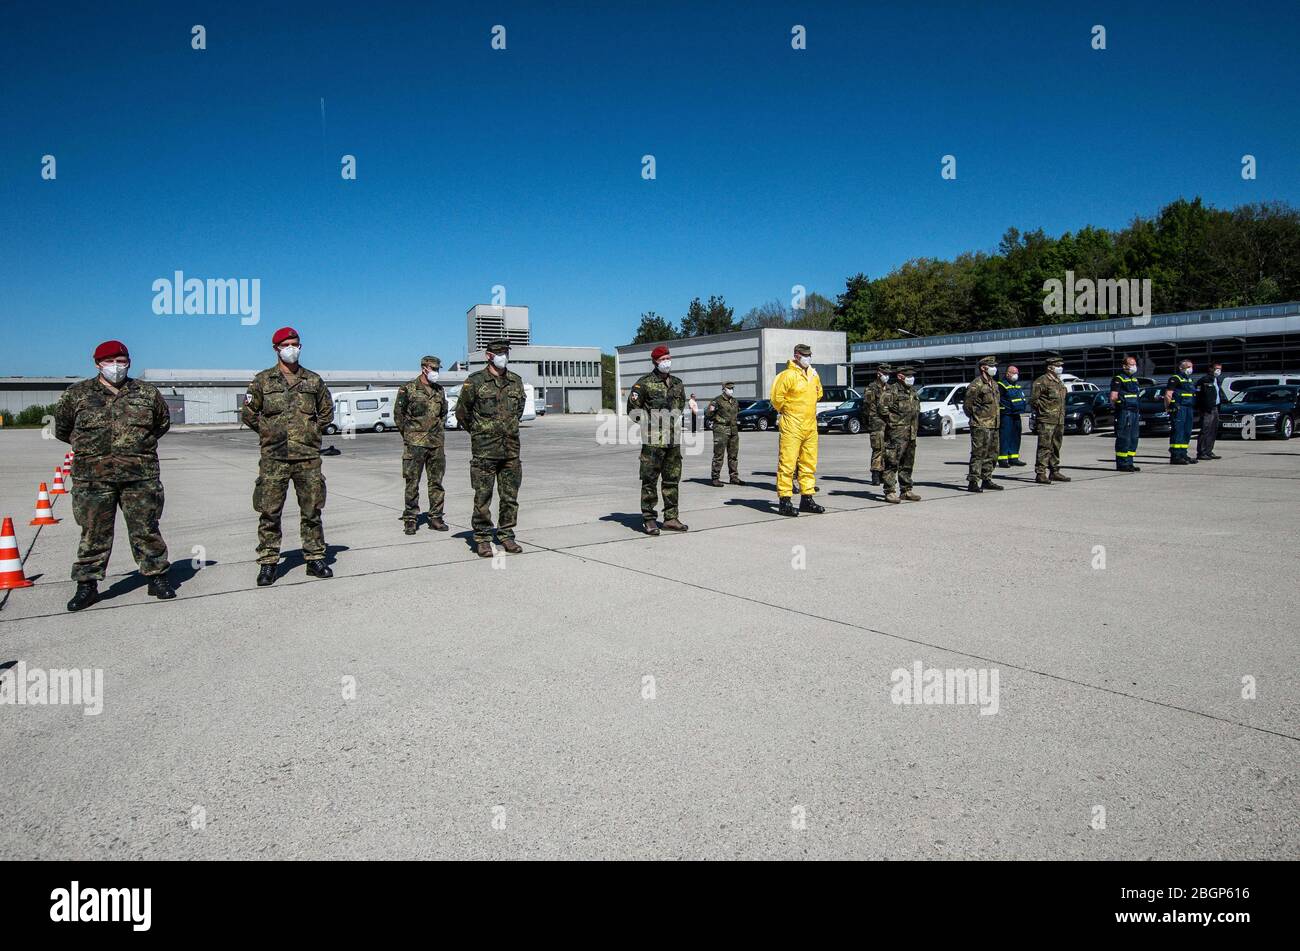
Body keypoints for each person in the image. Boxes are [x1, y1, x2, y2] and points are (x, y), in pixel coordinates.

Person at [54, 340, 175, 611]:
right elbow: (63, 429)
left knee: (146, 529)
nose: (116, 366)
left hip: (139, 475)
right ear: (97, 364)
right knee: (93, 533)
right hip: (93, 478)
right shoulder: (77, 394)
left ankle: (156, 577)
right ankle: (87, 585)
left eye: (121, 361)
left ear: (129, 362)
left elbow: (160, 424)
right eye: (109, 361)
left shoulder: (146, 393)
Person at [242, 327, 335, 585]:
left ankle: (315, 557)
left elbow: (327, 412)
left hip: (307, 456)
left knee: (312, 509)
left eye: (295, 343)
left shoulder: (314, 381)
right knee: (269, 512)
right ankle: (269, 562)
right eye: (286, 344)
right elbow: (249, 413)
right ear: (276, 349)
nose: (291, 348)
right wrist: (268, 432)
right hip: (275, 457)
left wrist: (313, 431)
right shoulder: (262, 381)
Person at [456, 339, 527, 556]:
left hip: (511, 450)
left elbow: (518, 411)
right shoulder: (474, 381)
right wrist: (479, 432)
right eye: (499, 352)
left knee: (509, 497)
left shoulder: (516, 381)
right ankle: (483, 538)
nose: (503, 356)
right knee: (483, 496)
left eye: (506, 352)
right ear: (488, 355)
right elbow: (462, 413)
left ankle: (506, 534)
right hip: (484, 450)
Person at [627, 345, 688, 535]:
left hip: (673, 440)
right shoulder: (643, 384)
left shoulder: (677, 383)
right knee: (650, 480)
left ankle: (671, 517)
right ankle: (649, 519)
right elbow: (633, 410)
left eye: (668, 358)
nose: (667, 362)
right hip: (653, 441)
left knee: (672, 479)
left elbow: (680, 406)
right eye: (663, 359)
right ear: (655, 361)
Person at [394, 355, 448, 534]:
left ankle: (436, 517)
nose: (436, 372)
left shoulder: (439, 390)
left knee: (436, 482)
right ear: (424, 368)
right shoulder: (408, 389)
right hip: (414, 443)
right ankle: (410, 518)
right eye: (434, 369)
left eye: (438, 369)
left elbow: (443, 413)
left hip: (436, 444)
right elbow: (398, 415)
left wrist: (437, 431)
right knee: (412, 482)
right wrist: (410, 435)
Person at [771, 343, 824, 517]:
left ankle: (807, 498)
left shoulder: (813, 375)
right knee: (787, 463)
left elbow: (819, 394)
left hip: (810, 425)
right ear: (796, 355)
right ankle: (785, 500)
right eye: (804, 355)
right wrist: (790, 412)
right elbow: (776, 399)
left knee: (809, 463)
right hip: (792, 424)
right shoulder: (786, 375)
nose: (807, 358)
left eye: (809, 355)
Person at [881, 365, 921, 504]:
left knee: (908, 463)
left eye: (912, 375)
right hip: (896, 434)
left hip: (911, 433)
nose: (911, 378)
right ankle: (890, 491)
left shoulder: (913, 392)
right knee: (892, 463)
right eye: (908, 375)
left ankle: (906, 490)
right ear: (900, 376)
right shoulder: (892, 391)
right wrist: (893, 424)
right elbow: (882, 409)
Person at [964, 356, 1003, 492]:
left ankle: (987, 478)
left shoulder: (994, 384)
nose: (994, 368)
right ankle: (973, 481)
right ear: (983, 368)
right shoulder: (976, 385)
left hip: (994, 424)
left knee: (993, 453)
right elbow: (968, 406)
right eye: (991, 366)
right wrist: (978, 418)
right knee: (978, 453)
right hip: (980, 425)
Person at [1031, 355, 1070, 485]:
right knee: (1044, 447)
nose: (1060, 368)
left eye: (1060, 366)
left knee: (1056, 446)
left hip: (1059, 419)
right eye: (1058, 366)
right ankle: (1041, 473)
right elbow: (1034, 401)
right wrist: (1045, 411)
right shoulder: (1041, 381)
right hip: (1047, 420)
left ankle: (1054, 471)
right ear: (1050, 367)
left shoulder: (1059, 381)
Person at [1109, 355, 1142, 472]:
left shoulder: (1134, 379)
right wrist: (1118, 407)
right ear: (1124, 366)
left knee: (1133, 437)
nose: (1134, 367)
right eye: (1131, 364)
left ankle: (1130, 462)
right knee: (1124, 438)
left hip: (1134, 411)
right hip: (1124, 412)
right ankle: (1122, 463)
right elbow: (1113, 397)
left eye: (1134, 364)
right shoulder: (1118, 379)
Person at [705, 382, 742, 486]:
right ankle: (715, 478)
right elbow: (708, 414)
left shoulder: (735, 401)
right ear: (724, 389)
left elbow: (736, 414)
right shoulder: (717, 401)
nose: (731, 390)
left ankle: (734, 477)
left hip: (734, 431)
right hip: (721, 430)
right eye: (729, 388)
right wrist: (718, 421)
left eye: (732, 388)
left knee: (733, 455)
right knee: (718, 455)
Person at [1165, 359, 1198, 465]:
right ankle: (1175, 456)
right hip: (1179, 408)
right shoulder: (1175, 379)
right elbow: (1168, 394)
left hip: (1188, 408)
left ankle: (1183, 454)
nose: (1190, 369)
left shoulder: (1189, 380)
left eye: (1191, 366)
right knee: (1178, 431)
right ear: (1181, 368)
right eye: (1188, 367)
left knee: (1186, 432)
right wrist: (1169, 407)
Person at [863, 363, 891, 484]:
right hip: (876, 423)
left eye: (888, 374)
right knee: (878, 448)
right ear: (878, 373)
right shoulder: (871, 388)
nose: (886, 376)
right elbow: (867, 407)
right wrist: (870, 422)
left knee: (888, 449)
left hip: (889, 423)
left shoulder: (889, 388)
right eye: (884, 373)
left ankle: (884, 474)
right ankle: (875, 474)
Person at [996, 365, 1028, 468]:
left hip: (1016, 414)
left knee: (1016, 436)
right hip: (1006, 415)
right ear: (1008, 373)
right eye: (1014, 373)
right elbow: (998, 401)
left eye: (1017, 373)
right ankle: (1003, 459)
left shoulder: (1016, 385)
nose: (1016, 375)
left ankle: (1014, 457)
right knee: (1005, 437)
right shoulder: (1001, 385)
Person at [1196, 362, 1223, 461]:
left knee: (1213, 430)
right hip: (1207, 409)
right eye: (1216, 368)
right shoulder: (1205, 380)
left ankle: (1208, 451)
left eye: (1220, 369)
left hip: (1215, 408)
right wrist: (1202, 407)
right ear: (1210, 369)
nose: (1218, 371)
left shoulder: (1216, 380)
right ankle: (1202, 452)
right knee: (1205, 430)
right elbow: (1199, 395)